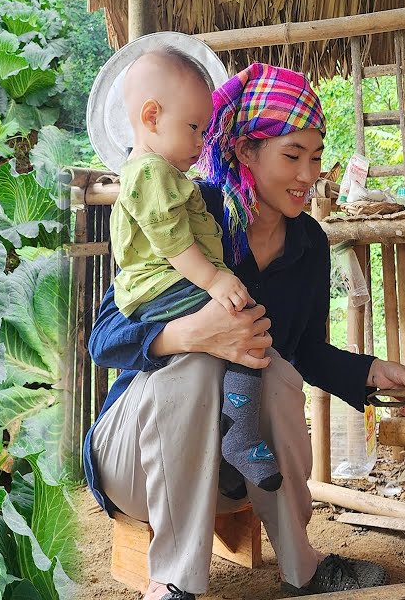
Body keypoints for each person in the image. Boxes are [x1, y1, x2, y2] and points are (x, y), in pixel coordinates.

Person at [84, 61, 405, 599]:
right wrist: (193, 334)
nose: (307, 174)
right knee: (202, 364)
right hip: (135, 463)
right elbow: (104, 336)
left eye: (315, 157)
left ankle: (304, 568)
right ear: (247, 152)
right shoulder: (186, 209)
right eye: (291, 156)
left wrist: (373, 372)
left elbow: (308, 351)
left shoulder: (309, 245)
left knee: (274, 369)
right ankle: (175, 583)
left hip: (232, 473)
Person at [108, 49, 282, 495]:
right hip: (163, 286)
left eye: (206, 131)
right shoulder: (150, 172)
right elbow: (171, 239)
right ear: (151, 116)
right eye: (193, 128)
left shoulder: (161, 172)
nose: (202, 142)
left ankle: (227, 445)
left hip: (168, 284)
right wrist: (214, 279)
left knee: (242, 335)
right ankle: (240, 436)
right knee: (245, 324)